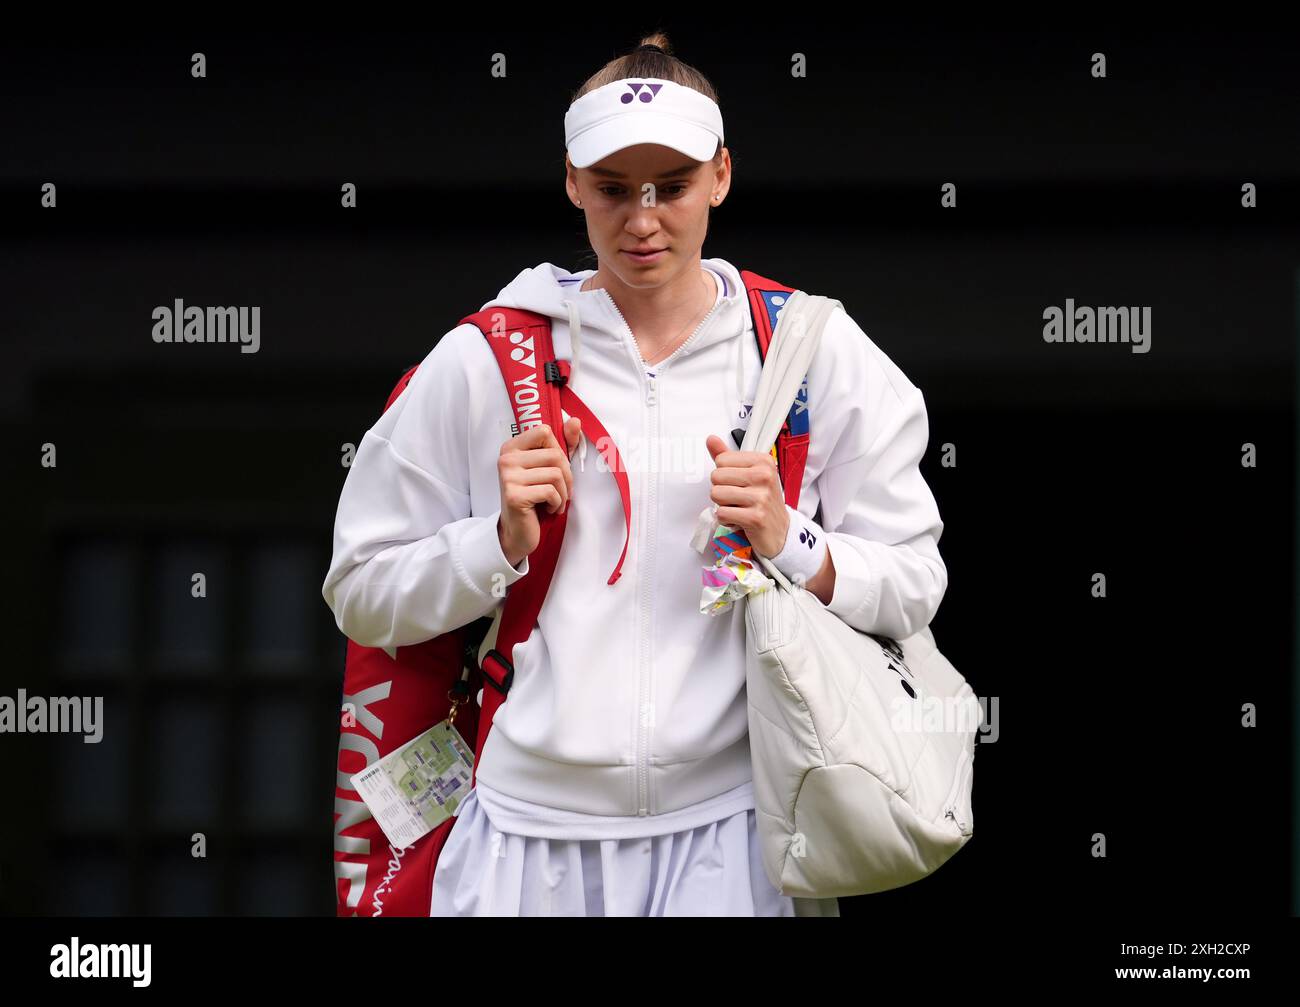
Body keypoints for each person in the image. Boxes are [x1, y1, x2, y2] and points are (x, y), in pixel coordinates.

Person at [321, 33, 948, 917]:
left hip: (734, 832)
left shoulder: (810, 351)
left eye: (673, 187)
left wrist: (792, 539)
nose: (643, 220)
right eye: (613, 190)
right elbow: (359, 591)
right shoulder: (486, 357)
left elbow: (916, 582)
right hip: (520, 840)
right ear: (572, 182)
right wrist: (494, 544)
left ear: (722, 175)